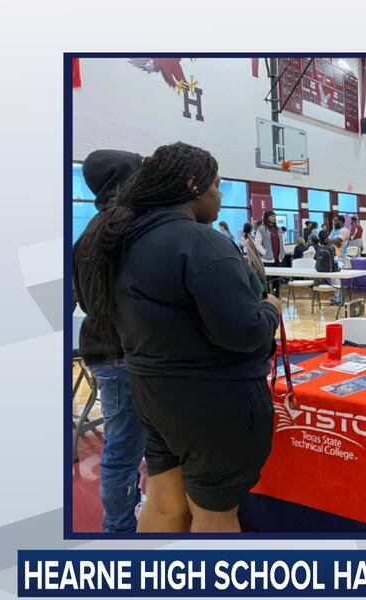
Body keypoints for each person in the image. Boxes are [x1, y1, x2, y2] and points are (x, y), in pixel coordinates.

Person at [73, 142, 282, 533]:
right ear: (192, 185)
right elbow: (243, 331)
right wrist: (269, 308)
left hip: (153, 392)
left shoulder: (117, 240)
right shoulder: (201, 243)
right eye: (217, 185)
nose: (220, 195)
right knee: (214, 512)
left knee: (166, 504)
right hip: (211, 401)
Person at [72, 149, 146, 533]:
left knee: (128, 445)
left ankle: (128, 513)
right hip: (120, 353)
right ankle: (118, 529)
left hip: (107, 351)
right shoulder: (123, 232)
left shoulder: (89, 234)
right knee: (122, 449)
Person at [251, 210, 283, 296]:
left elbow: (281, 241)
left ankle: (276, 296)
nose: (274, 218)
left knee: (277, 280)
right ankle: (267, 297)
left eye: (275, 216)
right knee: (267, 280)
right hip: (267, 260)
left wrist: (282, 253)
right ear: (267, 217)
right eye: (272, 216)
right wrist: (264, 252)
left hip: (278, 258)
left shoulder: (278, 229)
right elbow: (257, 243)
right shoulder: (261, 229)